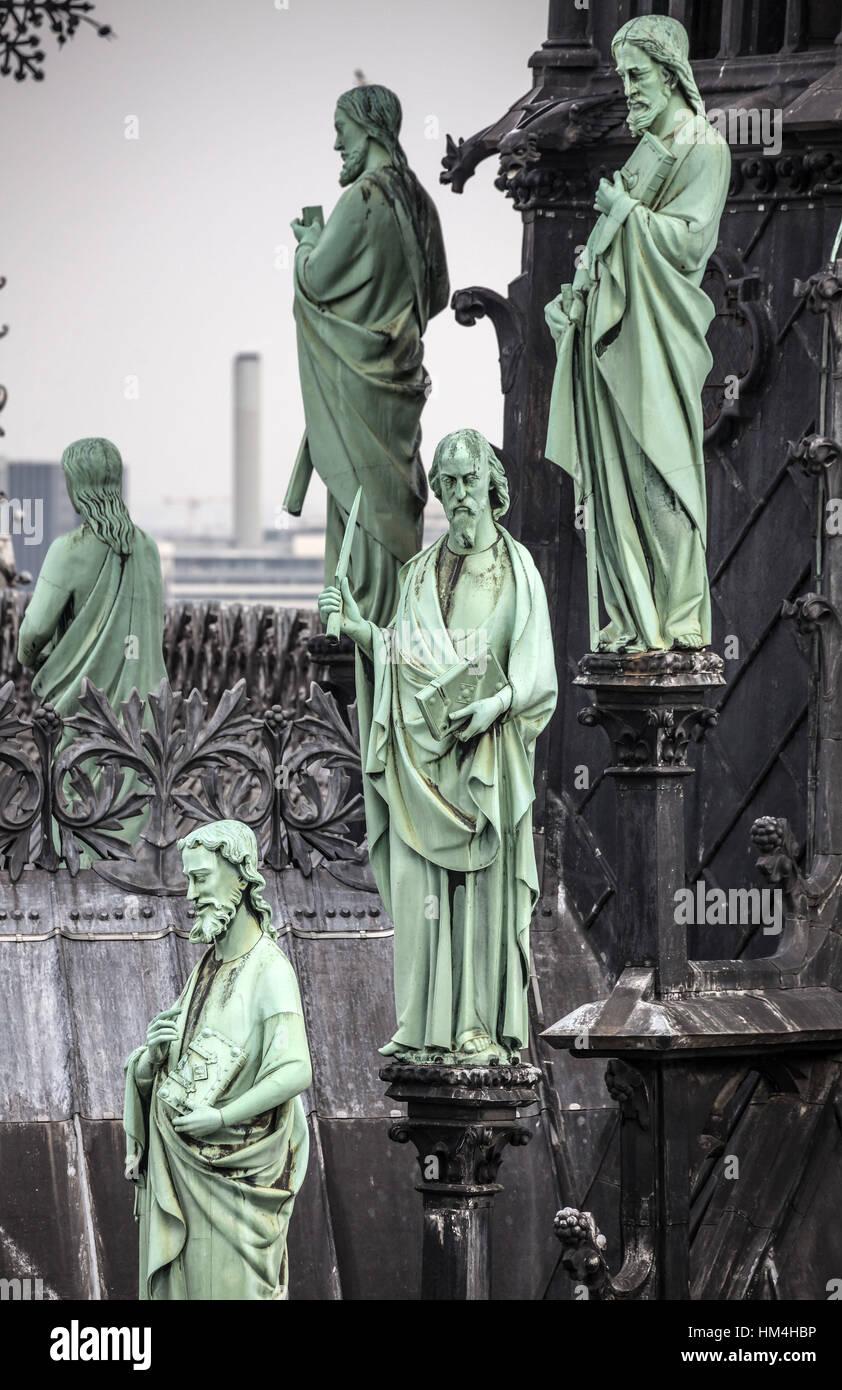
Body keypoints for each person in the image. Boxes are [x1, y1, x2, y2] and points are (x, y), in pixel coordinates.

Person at [319, 429, 557, 1064]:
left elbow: (539, 678)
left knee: (480, 894)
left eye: (467, 480)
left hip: (487, 763)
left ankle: (477, 1025)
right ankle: (426, 1025)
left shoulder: (519, 569)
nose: (456, 495)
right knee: (421, 889)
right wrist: (355, 629)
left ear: (491, 484)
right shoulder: (418, 573)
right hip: (425, 763)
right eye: (446, 483)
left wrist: (493, 707)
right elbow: (402, 658)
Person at [545, 15, 730, 653]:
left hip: (657, 339)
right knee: (615, 484)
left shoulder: (702, 145)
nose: (626, 88)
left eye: (637, 74)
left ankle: (677, 619)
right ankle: (632, 612)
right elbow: (602, 257)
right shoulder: (645, 150)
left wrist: (625, 212)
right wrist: (572, 307)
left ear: (671, 73)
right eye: (622, 75)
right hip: (612, 342)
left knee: (661, 475)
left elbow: (689, 243)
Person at [123, 819, 311, 1300]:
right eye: (188, 879)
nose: (190, 894)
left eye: (200, 878)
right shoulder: (208, 964)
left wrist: (221, 1117)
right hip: (185, 1173)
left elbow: (295, 1069)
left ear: (241, 876)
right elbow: (180, 1067)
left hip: (235, 1189)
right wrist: (149, 1062)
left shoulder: (270, 969)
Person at [289, 83, 450, 628]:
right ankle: (393, 620)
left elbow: (315, 278)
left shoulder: (363, 198)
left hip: (356, 385)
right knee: (390, 499)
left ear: (369, 128)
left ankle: (359, 625)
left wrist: (308, 240)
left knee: (354, 497)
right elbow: (441, 293)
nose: (337, 145)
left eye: (341, 130)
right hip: (399, 374)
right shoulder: (421, 204)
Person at [17, 436, 166, 736]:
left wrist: (28, 659)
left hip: (81, 711)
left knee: (77, 780)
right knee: (142, 781)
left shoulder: (68, 549)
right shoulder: (148, 547)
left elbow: (34, 629)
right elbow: (155, 623)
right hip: (144, 714)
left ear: (78, 486)